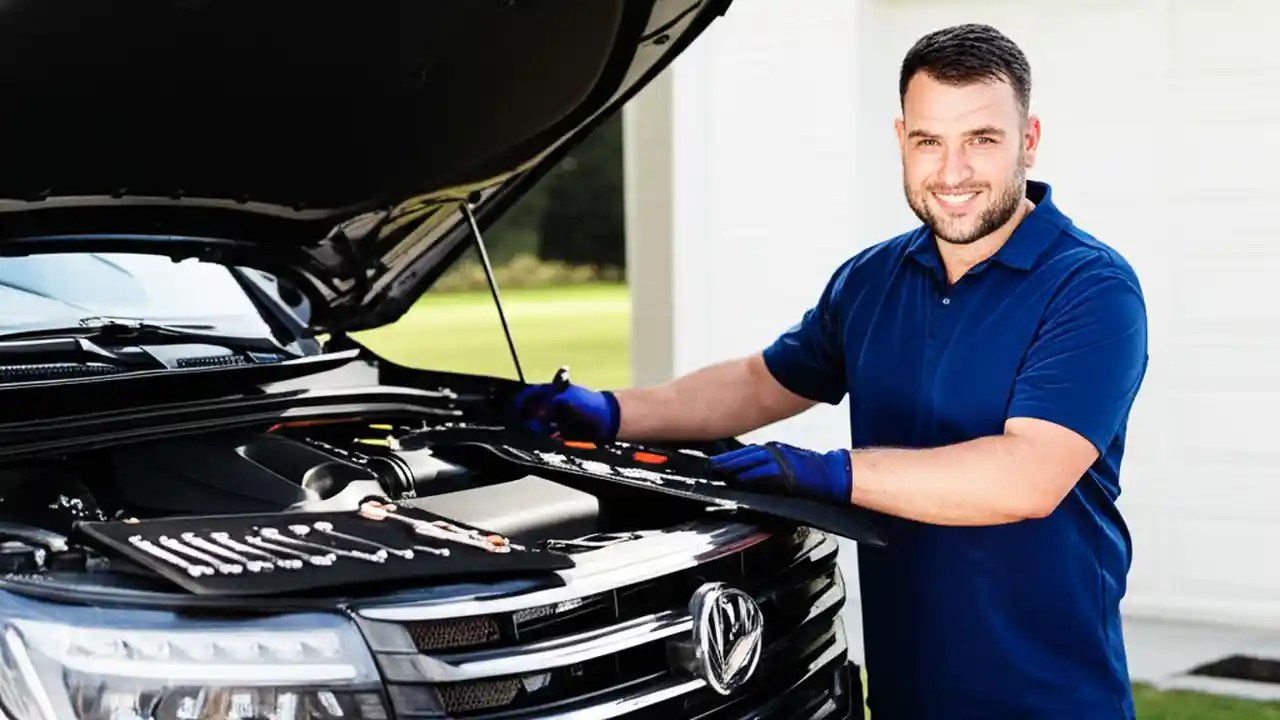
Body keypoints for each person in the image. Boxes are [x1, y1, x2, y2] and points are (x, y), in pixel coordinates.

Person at [511, 22, 1148, 720]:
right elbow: (762, 382)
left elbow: (1025, 477)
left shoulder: (1089, 288)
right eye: (930, 141)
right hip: (908, 695)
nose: (953, 171)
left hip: (1051, 700)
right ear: (902, 139)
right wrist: (612, 411)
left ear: (1028, 140)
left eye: (982, 140)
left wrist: (831, 474)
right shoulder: (874, 278)